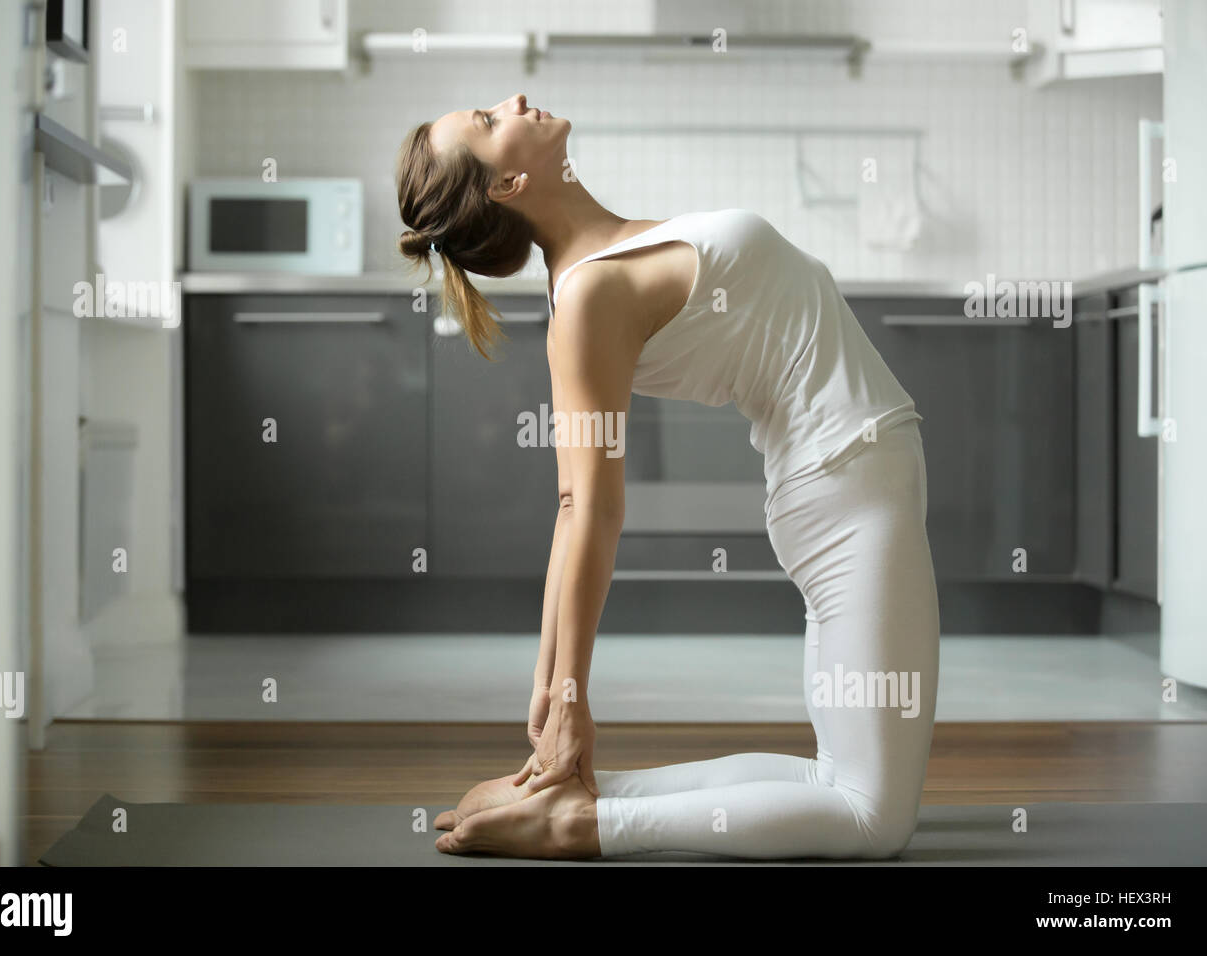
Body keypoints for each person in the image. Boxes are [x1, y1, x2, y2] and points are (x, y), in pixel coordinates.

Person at [395, 94, 940, 860]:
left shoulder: (608, 255)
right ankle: (584, 826)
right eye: (489, 121)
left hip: (842, 483)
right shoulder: (586, 296)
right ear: (509, 185)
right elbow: (586, 508)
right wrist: (567, 693)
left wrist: (550, 692)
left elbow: (569, 508)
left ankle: (577, 799)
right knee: (873, 818)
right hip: (849, 489)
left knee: (839, 781)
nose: (511, 101)